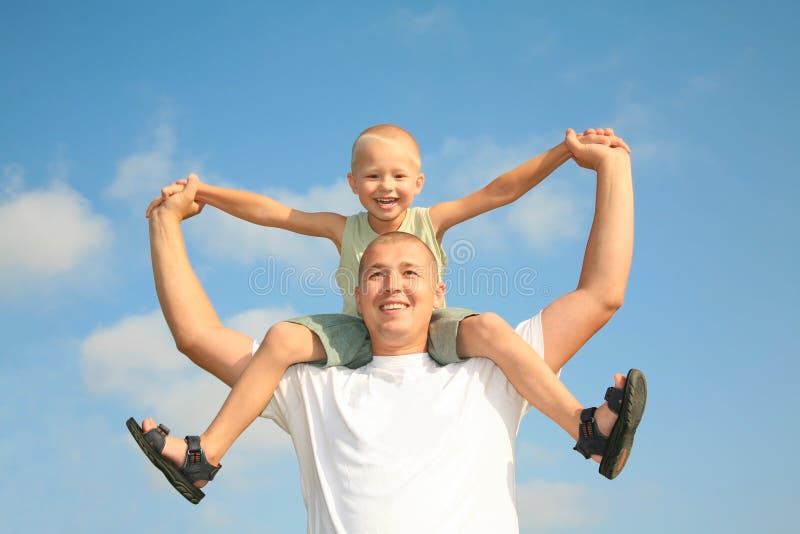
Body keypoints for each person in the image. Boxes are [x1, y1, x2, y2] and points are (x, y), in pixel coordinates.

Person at [128, 128, 646, 529]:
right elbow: (204, 323)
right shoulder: (312, 385)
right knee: (282, 337)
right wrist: (178, 211)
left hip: (462, 339)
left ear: (440, 291)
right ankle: (204, 455)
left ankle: (585, 427)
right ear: (357, 293)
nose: (393, 285)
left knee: (490, 328)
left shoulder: (499, 369)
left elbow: (592, 286)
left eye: (411, 273)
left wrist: (602, 161)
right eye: (375, 273)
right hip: (348, 346)